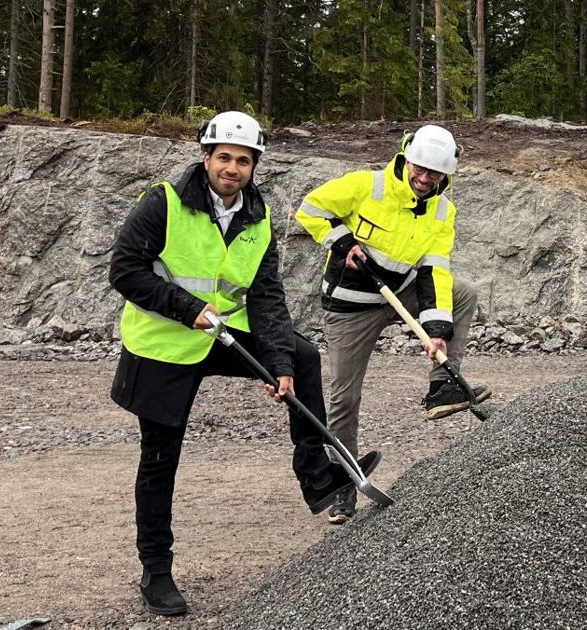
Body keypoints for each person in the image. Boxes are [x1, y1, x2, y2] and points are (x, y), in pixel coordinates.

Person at [109, 111, 380, 616]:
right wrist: (187, 309)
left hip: (218, 334)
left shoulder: (258, 216)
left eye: (244, 160)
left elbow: (266, 297)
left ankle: (318, 478)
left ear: (255, 166)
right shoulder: (162, 202)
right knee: (160, 458)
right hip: (161, 344)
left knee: (300, 355)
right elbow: (124, 270)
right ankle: (156, 570)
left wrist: (278, 364)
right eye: (224, 157)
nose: (232, 168)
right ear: (206, 156)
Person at [296, 124, 490, 525]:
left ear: (446, 175)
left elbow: (435, 269)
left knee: (463, 292)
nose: (423, 179)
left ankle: (442, 387)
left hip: (399, 293)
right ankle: (344, 481)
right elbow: (310, 208)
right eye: (420, 168)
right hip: (351, 305)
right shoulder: (367, 186)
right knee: (344, 397)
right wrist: (342, 241)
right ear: (407, 157)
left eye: (434, 174)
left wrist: (436, 332)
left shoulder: (441, 210)